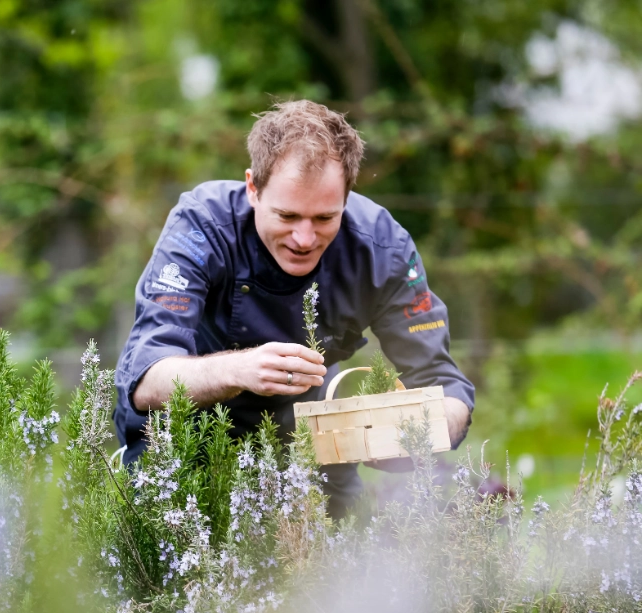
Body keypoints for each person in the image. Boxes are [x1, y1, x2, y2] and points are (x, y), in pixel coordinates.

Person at [113, 100, 475, 518]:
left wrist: (409, 432)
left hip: (313, 448)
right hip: (184, 445)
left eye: (324, 218)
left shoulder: (383, 249)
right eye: (287, 215)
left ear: (348, 196)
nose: (304, 238)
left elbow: (447, 387)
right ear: (253, 188)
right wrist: (240, 369)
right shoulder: (201, 227)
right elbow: (145, 380)